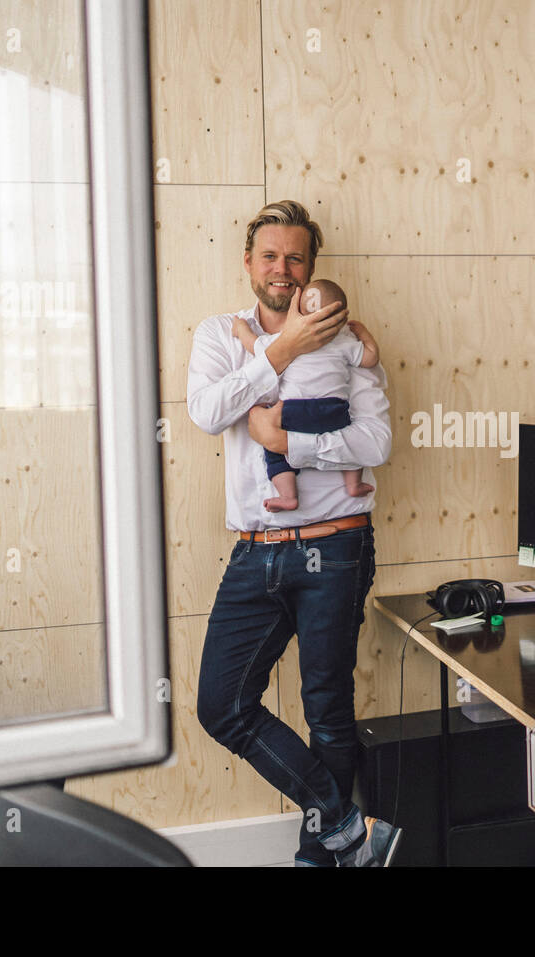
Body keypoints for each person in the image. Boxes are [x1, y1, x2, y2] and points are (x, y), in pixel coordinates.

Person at [186, 200, 399, 866]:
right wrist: (280, 352)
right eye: (270, 255)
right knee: (223, 704)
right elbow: (207, 409)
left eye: (296, 257)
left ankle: (321, 855)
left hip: (336, 543)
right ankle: (344, 825)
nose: (282, 268)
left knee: (327, 708)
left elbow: (378, 439)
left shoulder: (348, 338)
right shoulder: (221, 335)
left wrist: (294, 443)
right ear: (249, 263)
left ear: (311, 267)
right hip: (256, 551)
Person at [231, 278, 379, 512]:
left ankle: (288, 495)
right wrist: (363, 333)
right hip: (334, 410)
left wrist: (241, 330)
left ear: (296, 311)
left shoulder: (284, 340)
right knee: (349, 441)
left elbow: (255, 346)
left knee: (274, 451)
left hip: (294, 411)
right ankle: (353, 483)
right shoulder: (344, 342)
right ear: (339, 319)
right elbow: (371, 358)